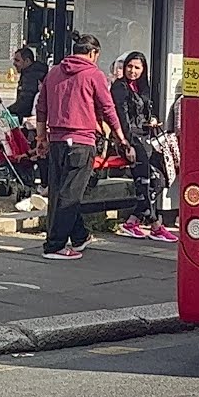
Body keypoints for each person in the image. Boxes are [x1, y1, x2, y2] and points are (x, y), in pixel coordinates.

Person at [34, 34, 133, 260]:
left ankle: (79, 236)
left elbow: (42, 106)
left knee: (61, 191)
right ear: (93, 53)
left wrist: (41, 138)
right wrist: (120, 137)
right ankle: (55, 245)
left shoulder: (54, 72)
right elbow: (108, 108)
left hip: (57, 139)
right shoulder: (93, 74)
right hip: (82, 140)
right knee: (71, 195)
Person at [109, 51, 178, 243]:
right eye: (129, 66)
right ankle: (156, 225)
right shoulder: (119, 87)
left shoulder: (143, 88)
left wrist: (152, 120)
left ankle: (133, 220)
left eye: (137, 67)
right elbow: (121, 118)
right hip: (129, 139)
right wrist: (127, 143)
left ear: (143, 69)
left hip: (146, 137)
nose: (132, 71)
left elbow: (145, 113)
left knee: (160, 178)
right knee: (144, 180)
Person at [8, 47, 49, 121]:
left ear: (27, 61)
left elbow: (25, 101)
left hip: (30, 120)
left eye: (17, 60)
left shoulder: (31, 76)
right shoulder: (31, 73)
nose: (14, 63)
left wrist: (9, 111)